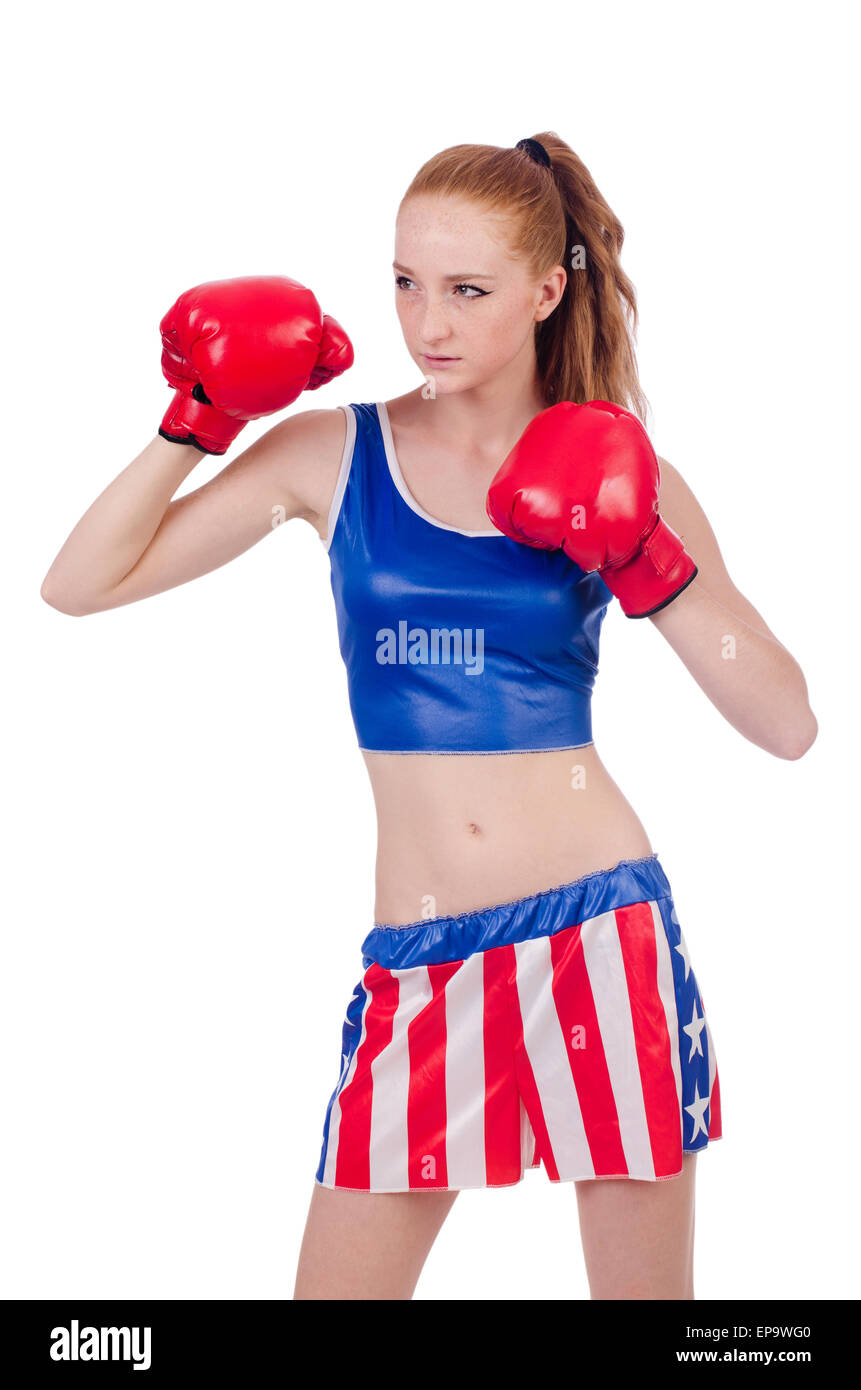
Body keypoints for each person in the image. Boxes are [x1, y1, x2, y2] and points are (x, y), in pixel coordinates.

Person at [41, 133, 818, 1302]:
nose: (426, 323)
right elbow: (80, 585)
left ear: (549, 289)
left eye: (466, 290)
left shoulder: (616, 460)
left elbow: (787, 721)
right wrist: (194, 420)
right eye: (405, 283)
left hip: (601, 935)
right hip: (419, 956)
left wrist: (651, 561)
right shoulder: (336, 452)